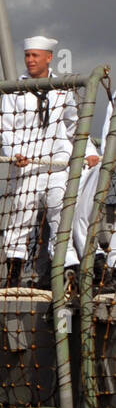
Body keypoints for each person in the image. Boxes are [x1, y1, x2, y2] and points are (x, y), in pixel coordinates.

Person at [0, 36, 77, 287]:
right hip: (27, 162)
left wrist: (67, 149)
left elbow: (72, 121)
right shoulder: (15, 90)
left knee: (60, 211)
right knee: (22, 215)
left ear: (49, 58)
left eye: (35, 56)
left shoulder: (62, 88)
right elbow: (5, 128)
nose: (30, 61)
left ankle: (67, 269)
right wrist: (14, 153)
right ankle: (13, 276)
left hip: (55, 162)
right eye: (27, 56)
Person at [65, 90, 115, 290]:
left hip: (105, 161)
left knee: (81, 219)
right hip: (104, 162)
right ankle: (102, 270)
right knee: (79, 218)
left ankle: (103, 269)